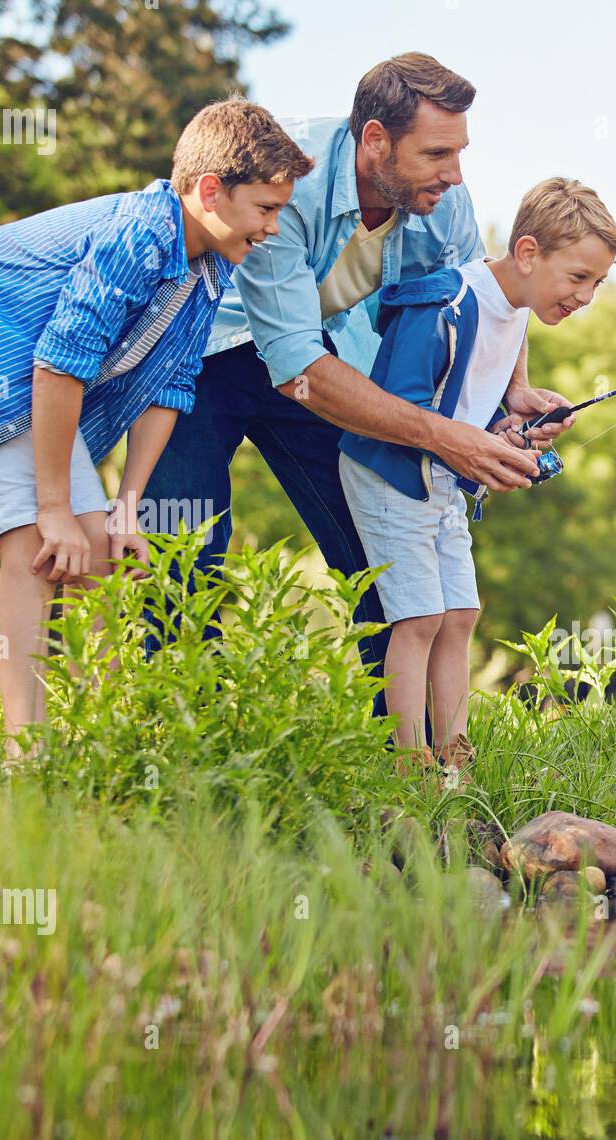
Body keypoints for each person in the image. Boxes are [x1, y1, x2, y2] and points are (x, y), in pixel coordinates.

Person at [139, 54, 577, 728]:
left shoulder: (442, 200)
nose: (454, 174)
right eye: (436, 153)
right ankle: (174, 752)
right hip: (206, 354)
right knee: (183, 554)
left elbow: (485, 296)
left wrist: (507, 398)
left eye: (459, 152)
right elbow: (292, 363)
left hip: (328, 362)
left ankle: (409, 774)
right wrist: (442, 435)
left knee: (383, 560)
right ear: (376, 140)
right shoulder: (288, 178)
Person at [0, 97, 312, 760]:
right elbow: (60, 363)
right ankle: (22, 759)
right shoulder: (140, 234)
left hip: (32, 389)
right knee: (39, 544)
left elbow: (172, 384)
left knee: (103, 560)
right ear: (211, 191)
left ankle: (108, 745)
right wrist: (56, 506)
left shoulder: (211, 264)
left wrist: (124, 508)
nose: (271, 228)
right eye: (265, 209)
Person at [338, 177, 616, 776]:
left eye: (597, 283)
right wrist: (474, 449)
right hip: (392, 473)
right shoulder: (446, 305)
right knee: (418, 619)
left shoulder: (516, 317)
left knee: (461, 615)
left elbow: (463, 408)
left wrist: (508, 431)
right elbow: (403, 411)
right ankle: (410, 768)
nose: (586, 297)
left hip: (442, 481)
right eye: (578, 277)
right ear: (527, 253)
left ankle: (456, 761)